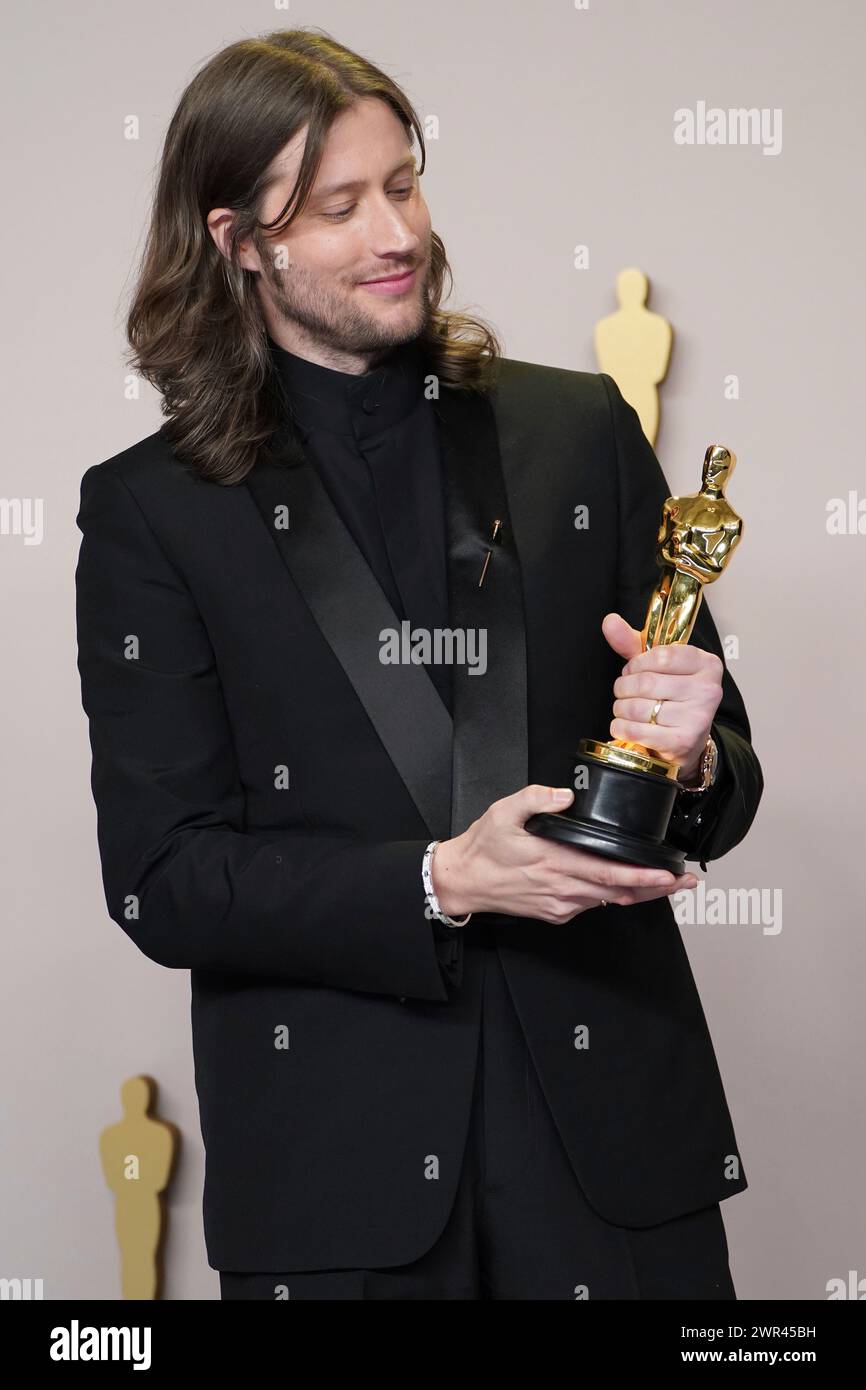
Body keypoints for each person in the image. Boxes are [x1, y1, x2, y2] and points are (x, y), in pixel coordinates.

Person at [74, 28, 763, 1300]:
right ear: (239, 240)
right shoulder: (150, 510)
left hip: (617, 1166)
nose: (394, 230)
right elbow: (163, 883)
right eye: (337, 206)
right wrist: (439, 883)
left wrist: (696, 750)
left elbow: (722, 790)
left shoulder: (577, 430)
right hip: (337, 1189)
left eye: (402, 181)